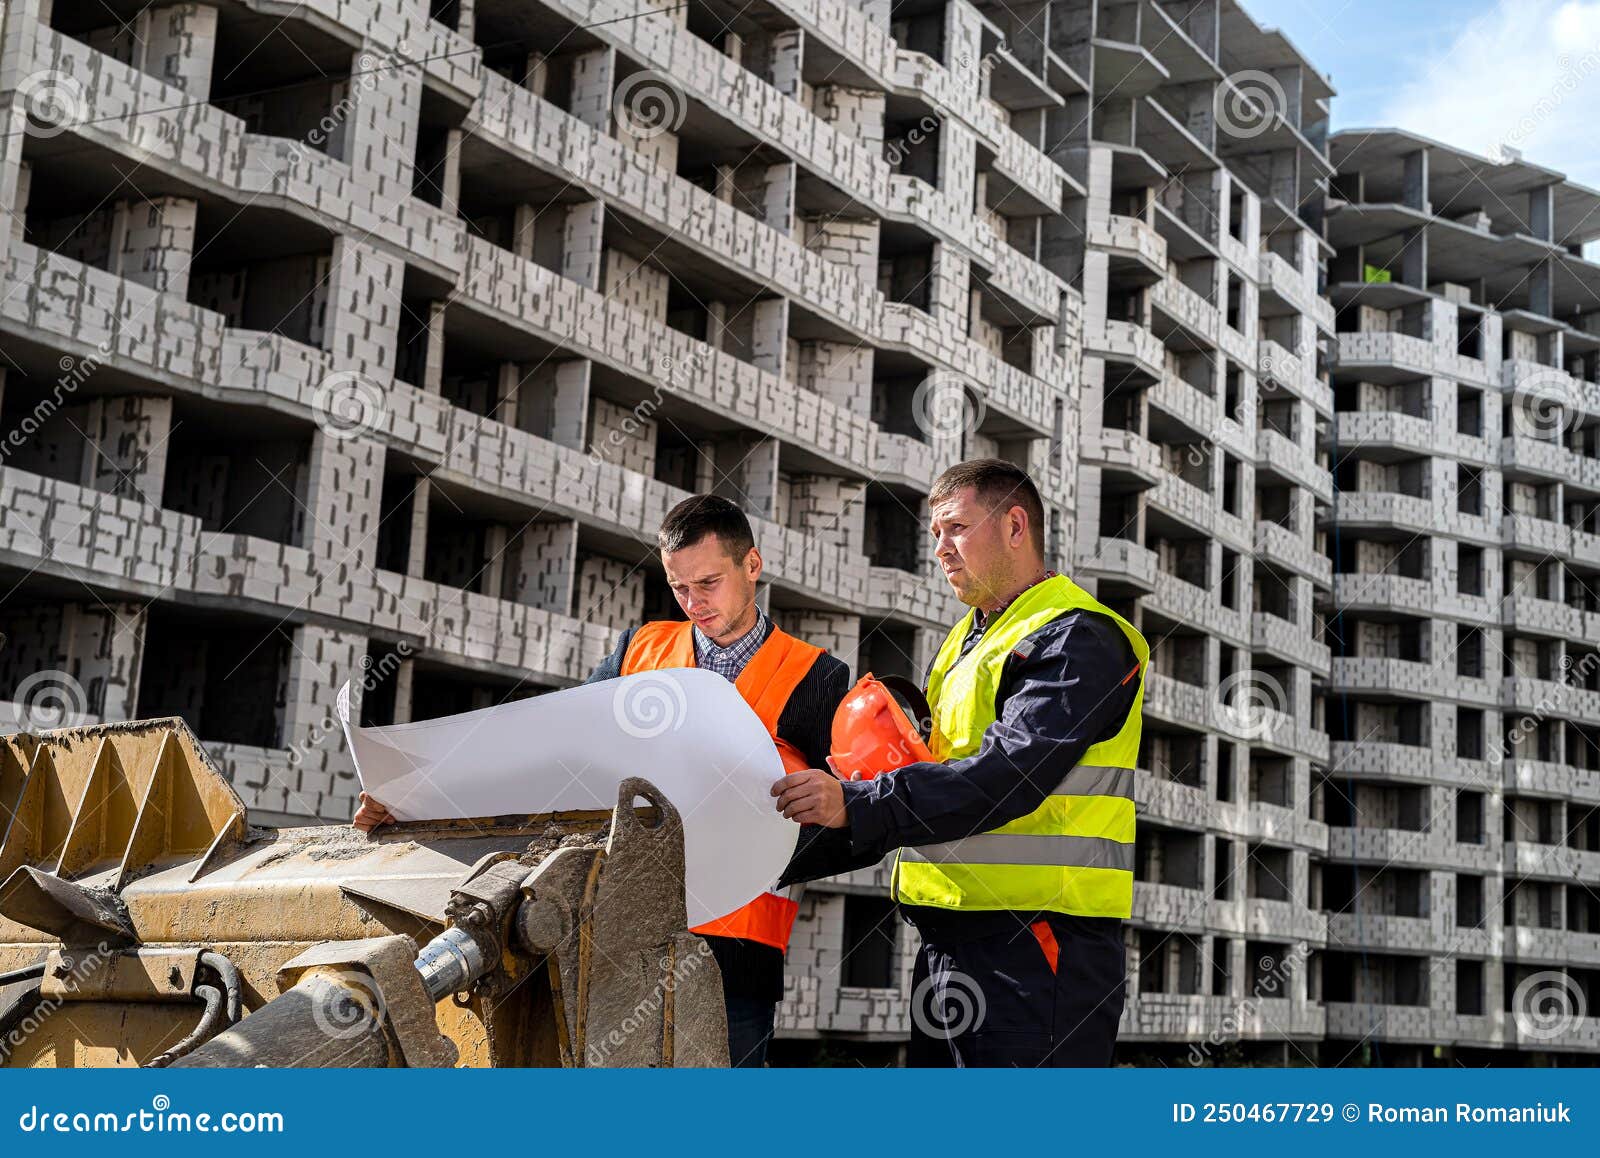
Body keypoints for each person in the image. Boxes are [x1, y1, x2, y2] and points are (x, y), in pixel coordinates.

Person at [354, 494, 848, 1068]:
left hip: (740, 951)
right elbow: (552, 756)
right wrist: (412, 803)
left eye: (708, 583)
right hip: (617, 929)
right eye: (679, 587)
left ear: (752, 566)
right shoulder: (638, 651)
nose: (694, 603)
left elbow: (853, 821)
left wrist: (766, 837)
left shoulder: (817, 678)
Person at [772, 458, 1146, 1067]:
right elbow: (928, 777)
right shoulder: (964, 642)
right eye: (934, 535)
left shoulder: (1081, 638)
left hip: (1039, 947)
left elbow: (1010, 775)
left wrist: (859, 804)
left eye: (956, 529)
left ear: (1015, 526)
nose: (941, 550)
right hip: (950, 942)